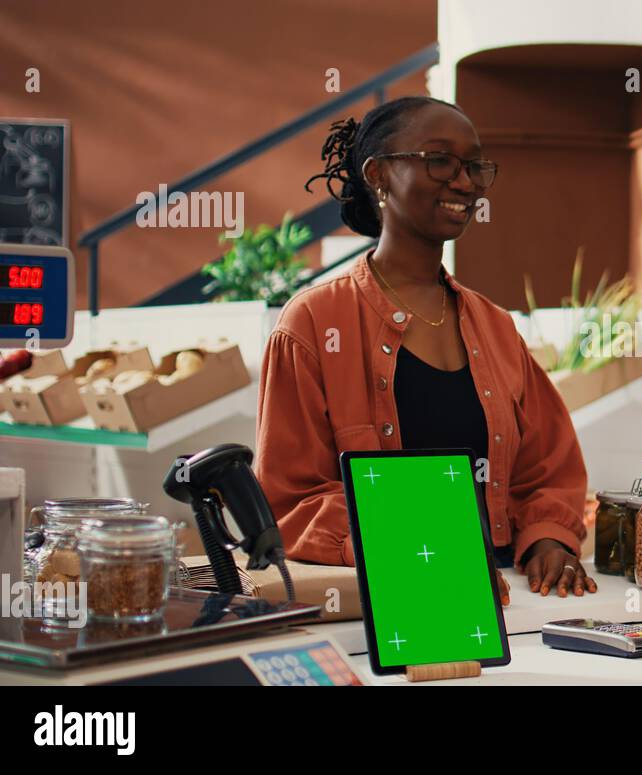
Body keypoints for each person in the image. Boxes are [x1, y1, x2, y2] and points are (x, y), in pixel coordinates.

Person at [256, 95, 598, 599]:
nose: (463, 182)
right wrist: (431, 545)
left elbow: (547, 468)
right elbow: (291, 498)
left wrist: (548, 540)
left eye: (475, 166)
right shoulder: (313, 323)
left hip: (508, 597)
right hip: (387, 597)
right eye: (439, 160)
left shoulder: (496, 326)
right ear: (379, 174)